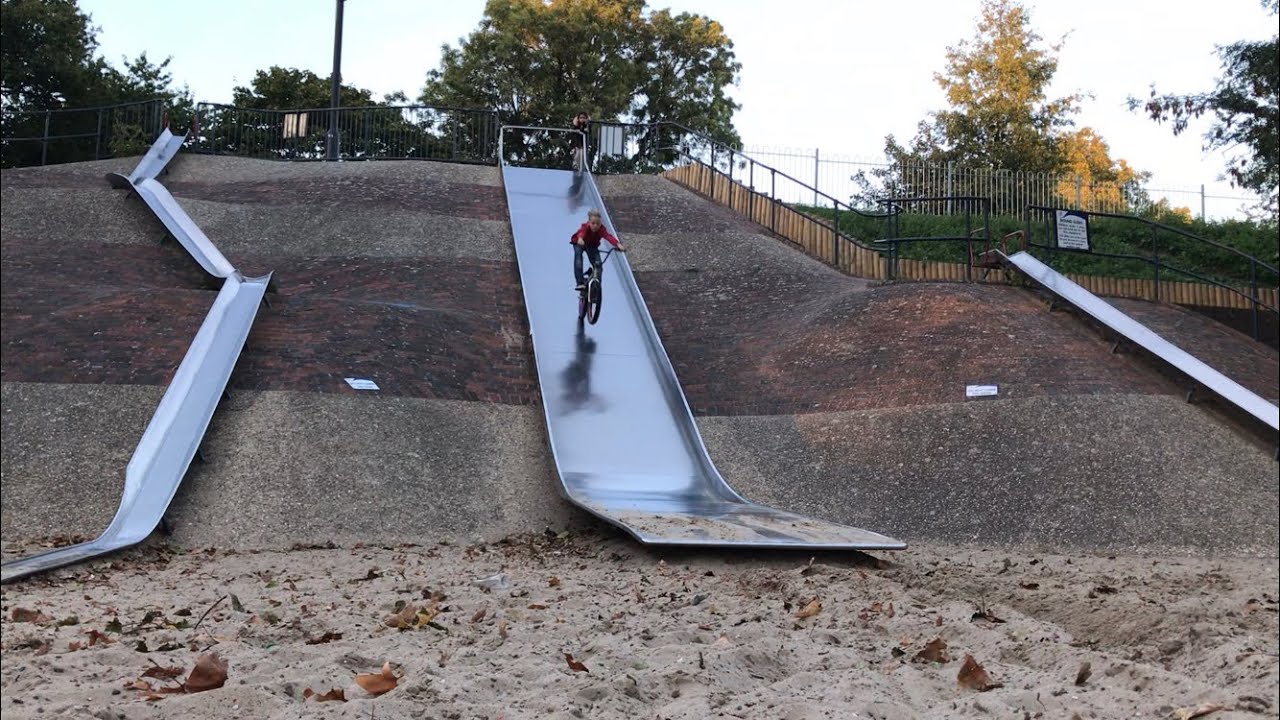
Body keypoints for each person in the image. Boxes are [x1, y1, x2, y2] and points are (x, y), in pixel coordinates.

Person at [570, 209, 625, 290]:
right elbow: (582, 232)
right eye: (593, 223)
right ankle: (580, 282)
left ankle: (596, 286)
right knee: (578, 259)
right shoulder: (585, 227)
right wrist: (580, 239)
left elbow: (608, 236)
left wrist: (618, 244)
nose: (595, 226)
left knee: (598, 265)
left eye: (598, 224)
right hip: (579, 243)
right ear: (589, 223)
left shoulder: (601, 229)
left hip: (592, 245)